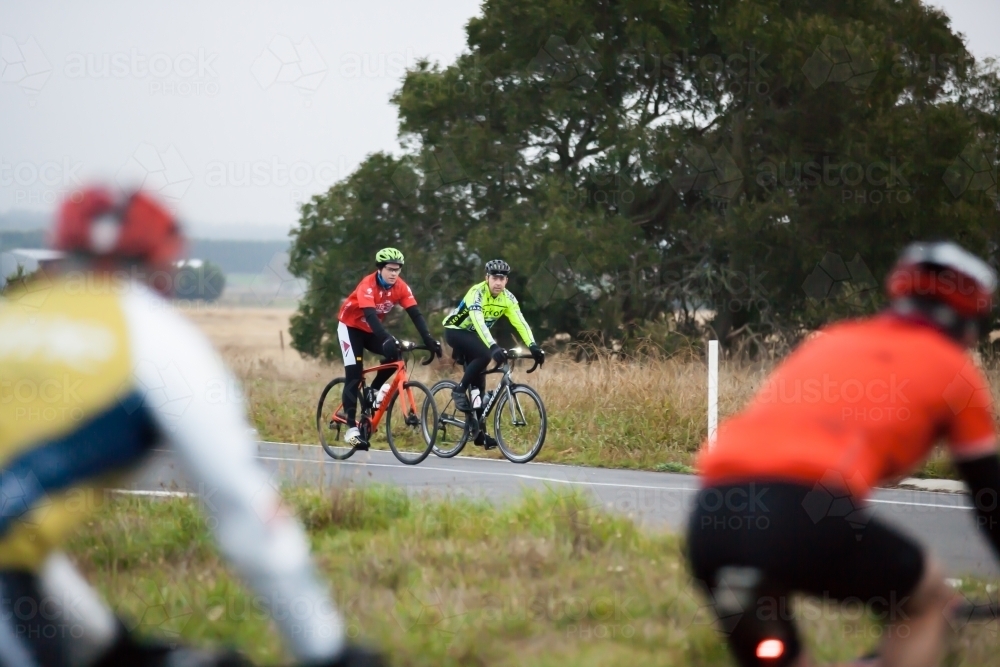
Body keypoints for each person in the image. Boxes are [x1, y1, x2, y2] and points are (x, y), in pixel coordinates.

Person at [0, 187, 384, 667]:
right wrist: (327, 650)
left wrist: (106, 643)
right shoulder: (153, 335)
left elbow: (16, 539)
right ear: (161, 268)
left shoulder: (12, 316)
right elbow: (246, 511)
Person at [686, 241, 1000, 667]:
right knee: (929, 602)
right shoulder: (953, 370)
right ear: (970, 318)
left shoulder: (834, 340)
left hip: (710, 519)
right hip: (803, 514)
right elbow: (989, 493)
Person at [336, 248, 442, 446]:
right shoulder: (367, 285)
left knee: (397, 354)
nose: (394, 273)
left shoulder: (400, 286)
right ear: (380, 269)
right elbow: (370, 316)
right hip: (350, 328)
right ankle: (351, 429)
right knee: (354, 373)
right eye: (390, 269)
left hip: (370, 330)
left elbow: (415, 314)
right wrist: (385, 337)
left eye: (398, 269)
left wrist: (429, 339)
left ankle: (373, 391)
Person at [443, 259, 545, 448]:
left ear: (506, 281)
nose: (498, 282)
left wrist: (533, 346)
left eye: (502, 278)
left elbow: (520, 322)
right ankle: (458, 390)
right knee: (484, 356)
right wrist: (492, 346)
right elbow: (478, 321)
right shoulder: (477, 293)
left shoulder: (508, 298)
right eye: (494, 278)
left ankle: (478, 433)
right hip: (457, 331)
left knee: (479, 385)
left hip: (476, 335)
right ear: (487, 278)